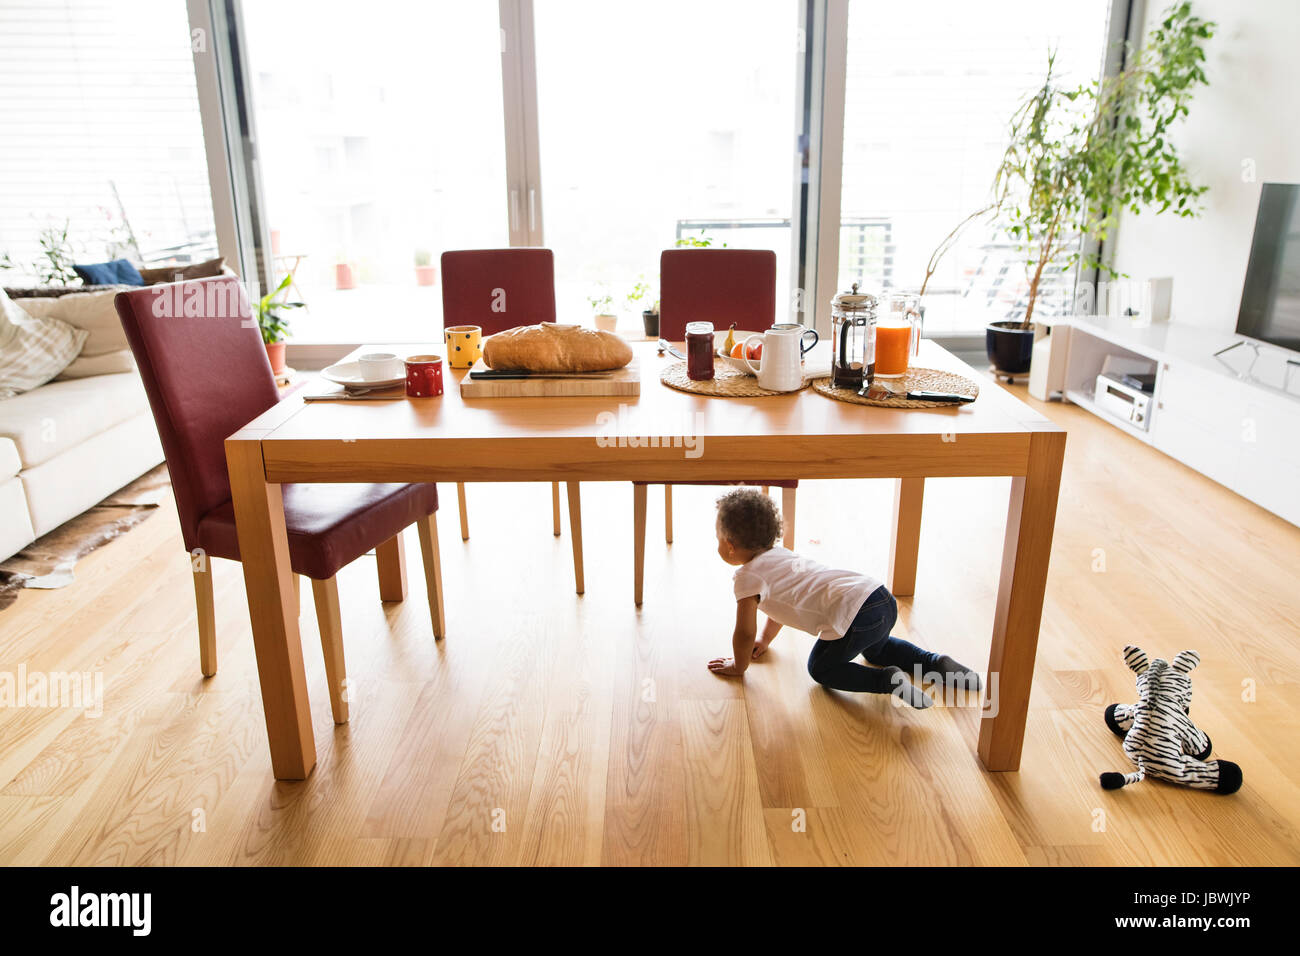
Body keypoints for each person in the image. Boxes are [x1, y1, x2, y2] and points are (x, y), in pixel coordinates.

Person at [707, 488, 981, 709]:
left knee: (821, 668)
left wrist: (738, 665)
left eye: (718, 538)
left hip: (856, 616)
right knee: (877, 648)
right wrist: (766, 639)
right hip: (878, 597)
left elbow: (744, 631)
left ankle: (886, 680)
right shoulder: (781, 555)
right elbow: (777, 608)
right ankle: (935, 663)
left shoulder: (747, 577)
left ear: (730, 546)